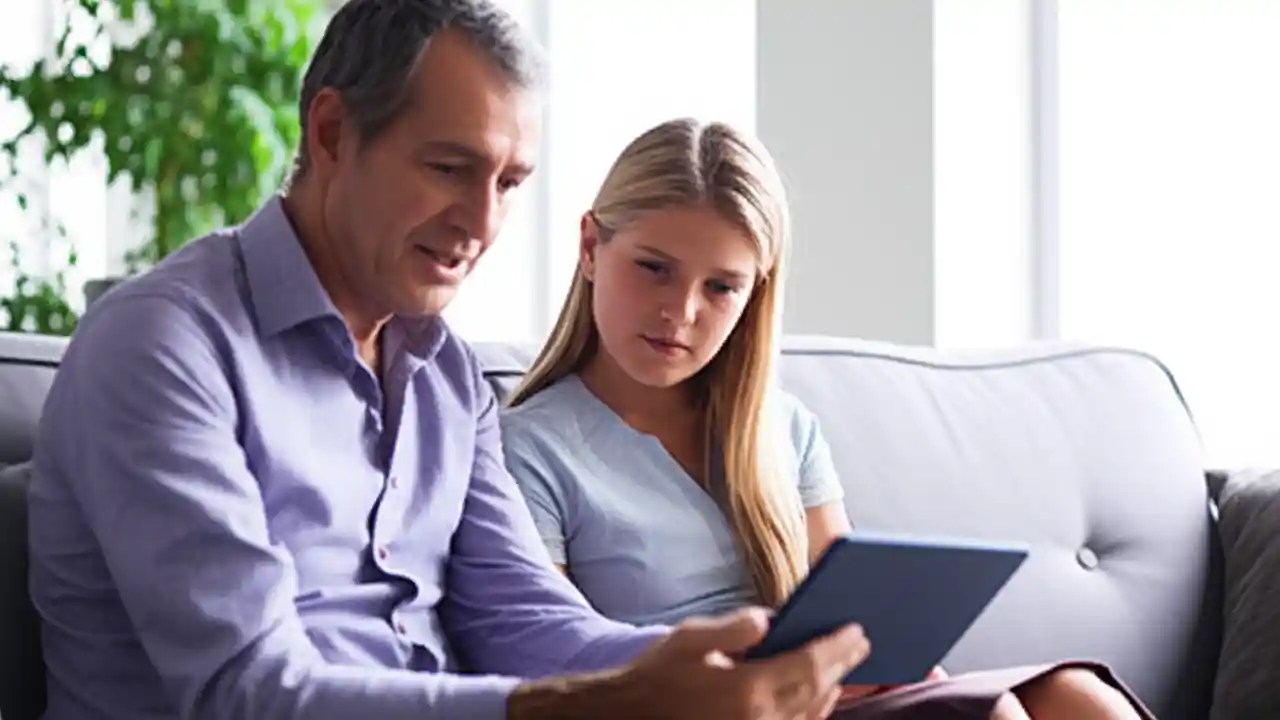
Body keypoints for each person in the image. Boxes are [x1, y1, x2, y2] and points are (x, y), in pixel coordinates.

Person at [26, 2, 872, 719]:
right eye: (449, 167)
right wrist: (608, 703)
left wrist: (723, 663)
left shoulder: (443, 374)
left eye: (508, 183)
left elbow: (523, 616)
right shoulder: (167, 345)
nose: (480, 222)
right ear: (330, 133)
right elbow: (247, 688)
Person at [499, 117, 1156, 720]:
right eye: (654, 269)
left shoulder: (784, 430)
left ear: (755, 292)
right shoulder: (531, 447)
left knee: (1083, 699)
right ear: (590, 247)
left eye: (721, 286)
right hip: (694, 708)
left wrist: (891, 663)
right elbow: (559, 660)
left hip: (817, 702)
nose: (682, 312)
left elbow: (852, 617)